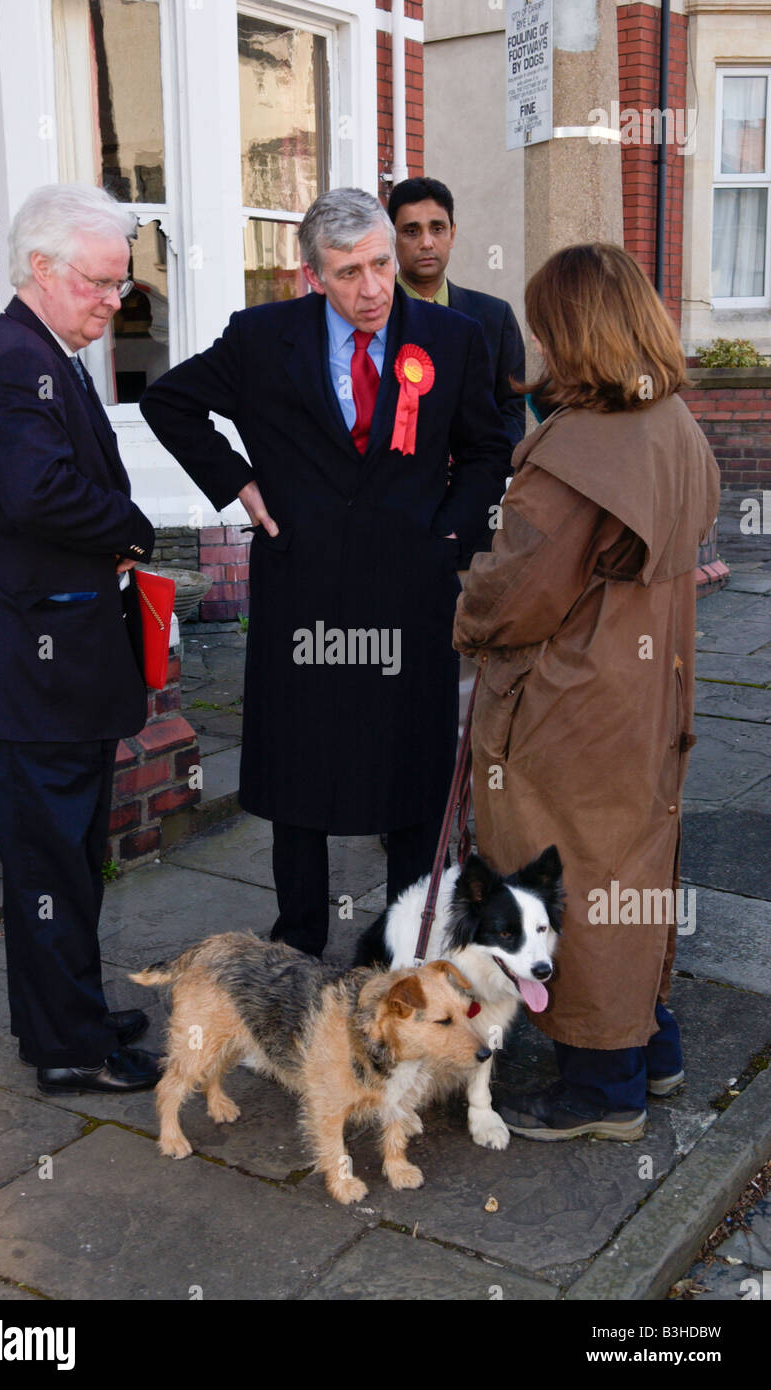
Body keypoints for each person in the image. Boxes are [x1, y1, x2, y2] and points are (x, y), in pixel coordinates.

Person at [141, 187, 511, 958]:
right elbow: (170, 401)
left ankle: (403, 946)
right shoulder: (259, 336)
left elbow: (484, 451)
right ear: (311, 275)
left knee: (410, 777)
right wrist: (240, 485)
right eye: (347, 273)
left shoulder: (451, 338)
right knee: (299, 776)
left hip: (410, 593)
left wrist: (447, 534)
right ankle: (297, 943)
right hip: (301, 590)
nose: (371, 287)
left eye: (380, 264)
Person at [452, 243, 720, 1139]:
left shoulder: (579, 446)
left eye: (546, 326)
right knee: (632, 865)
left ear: (573, 330)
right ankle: (653, 1049)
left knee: (572, 873)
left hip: (575, 698)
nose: (541, 344)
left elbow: (520, 591)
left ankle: (602, 1088)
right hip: (651, 686)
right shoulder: (671, 421)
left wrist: (467, 612)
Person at [0, 183, 161, 1096]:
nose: (116, 300)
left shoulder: (39, 352)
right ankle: (69, 1050)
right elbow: (42, 495)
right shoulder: (18, 363)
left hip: (44, 666)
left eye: (121, 285)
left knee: (64, 859)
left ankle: (75, 1013)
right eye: (102, 283)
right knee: (50, 868)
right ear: (42, 269)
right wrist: (134, 528)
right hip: (27, 673)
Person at [388, 176, 525, 458]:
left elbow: (510, 412)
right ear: (392, 237)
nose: (426, 243)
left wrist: (482, 470)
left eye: (437, 229)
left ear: (452, 234)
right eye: (411, 231)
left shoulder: (494, 317)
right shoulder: (372, 317)